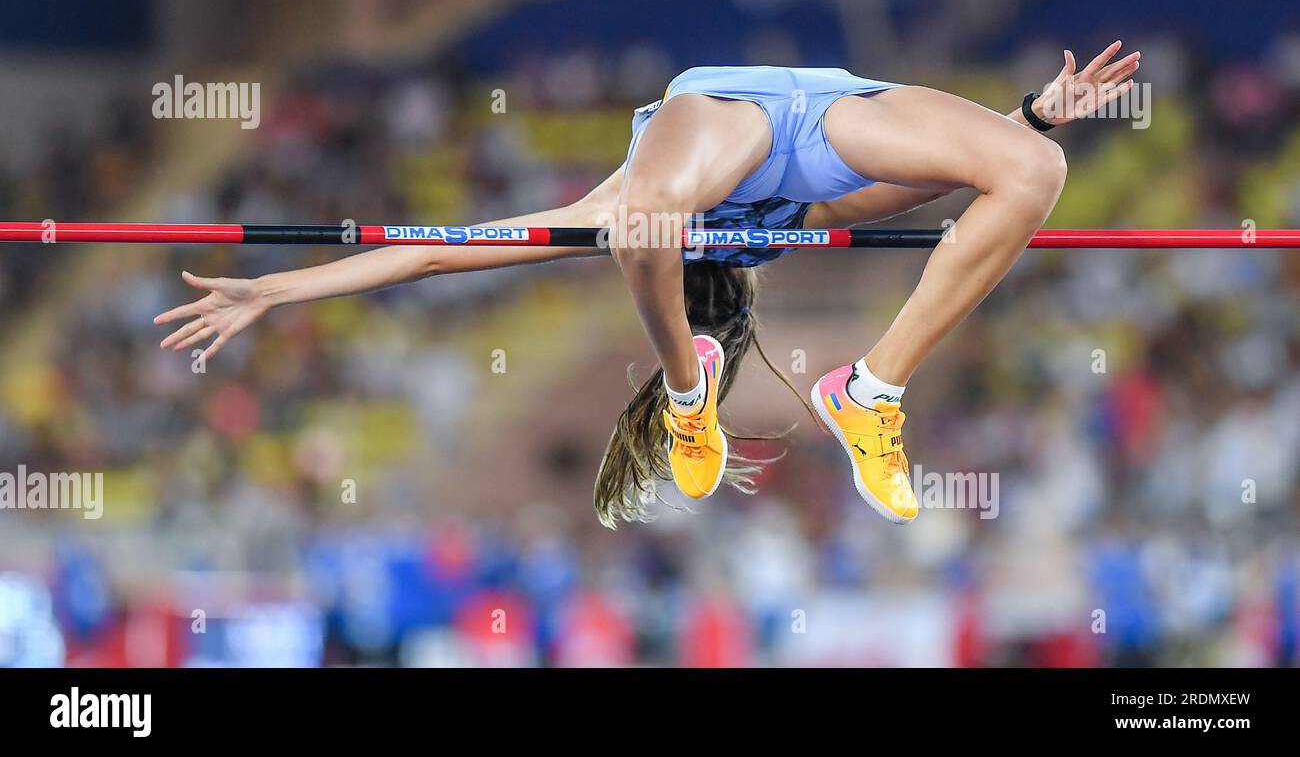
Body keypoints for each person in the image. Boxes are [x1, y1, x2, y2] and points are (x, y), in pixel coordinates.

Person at [155, 43, 1140, 527]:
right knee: (639, 218)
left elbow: (432, 247)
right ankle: (685, 394)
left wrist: (1027, 122)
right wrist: (272, 292)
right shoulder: (660, 207)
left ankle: (869, 389)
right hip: (728, 123)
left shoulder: (788, 213)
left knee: (1033, 171)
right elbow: (432, 249)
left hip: (822, 113)